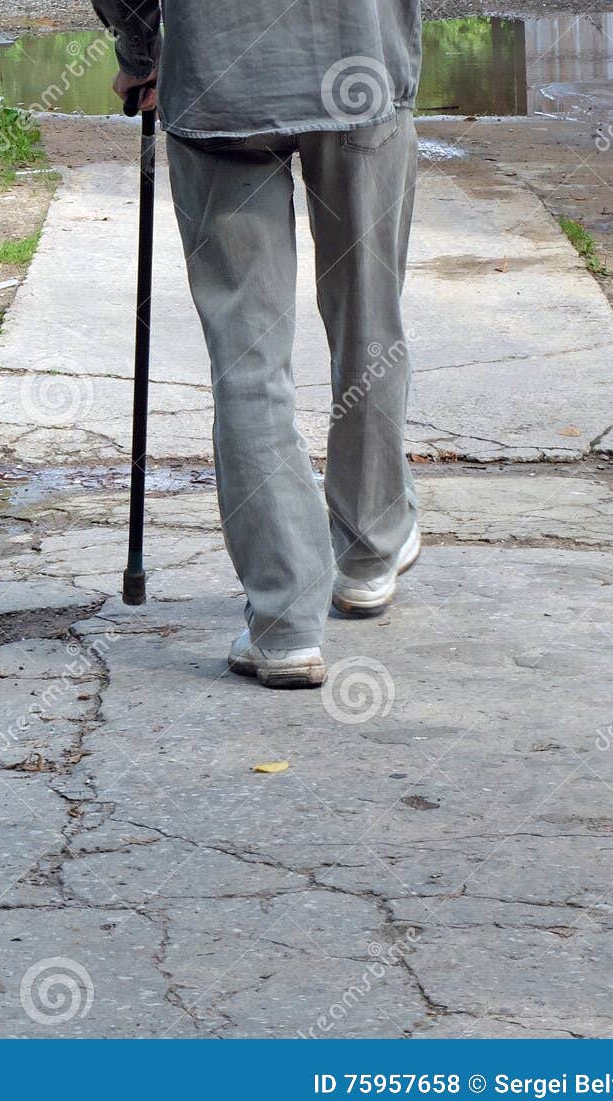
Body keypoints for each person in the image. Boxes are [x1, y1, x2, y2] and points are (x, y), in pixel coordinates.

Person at [92, 1, 424, 689]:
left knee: (248, 356)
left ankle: (285, 624)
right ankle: (367, 553)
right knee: (370, 319)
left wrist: (141, 52)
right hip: (358, 60)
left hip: (224, 78)